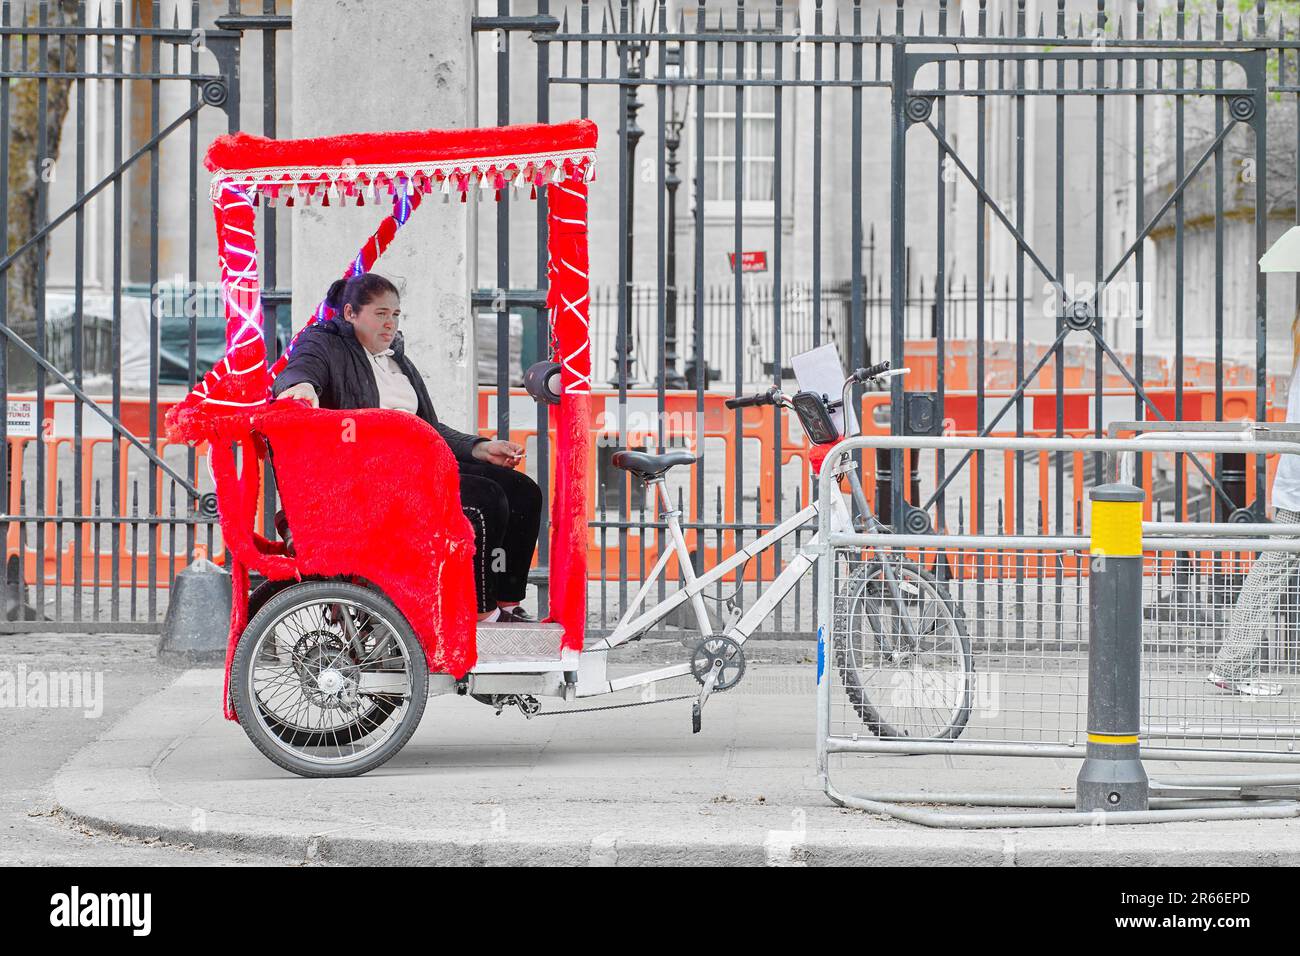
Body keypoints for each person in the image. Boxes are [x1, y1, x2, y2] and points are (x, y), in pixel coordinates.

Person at [273, 272, 541, 623]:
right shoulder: (325, 343)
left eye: (396, 314)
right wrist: (302, 387)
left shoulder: (398, 359)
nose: (390, 323)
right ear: (351, 313)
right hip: (372, 480)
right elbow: (299, 370)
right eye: (381, 313)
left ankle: (508, 601)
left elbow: (430, 427)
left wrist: (479, 448)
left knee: (523, 491)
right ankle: (481, 613)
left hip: (419, 465)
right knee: (486, 498)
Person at [1208, 311, 1300, 697]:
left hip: (1294, 488)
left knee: (1268, 575)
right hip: (1297, 493)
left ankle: (1232, 664)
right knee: (1268, 576)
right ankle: (1232, 665)